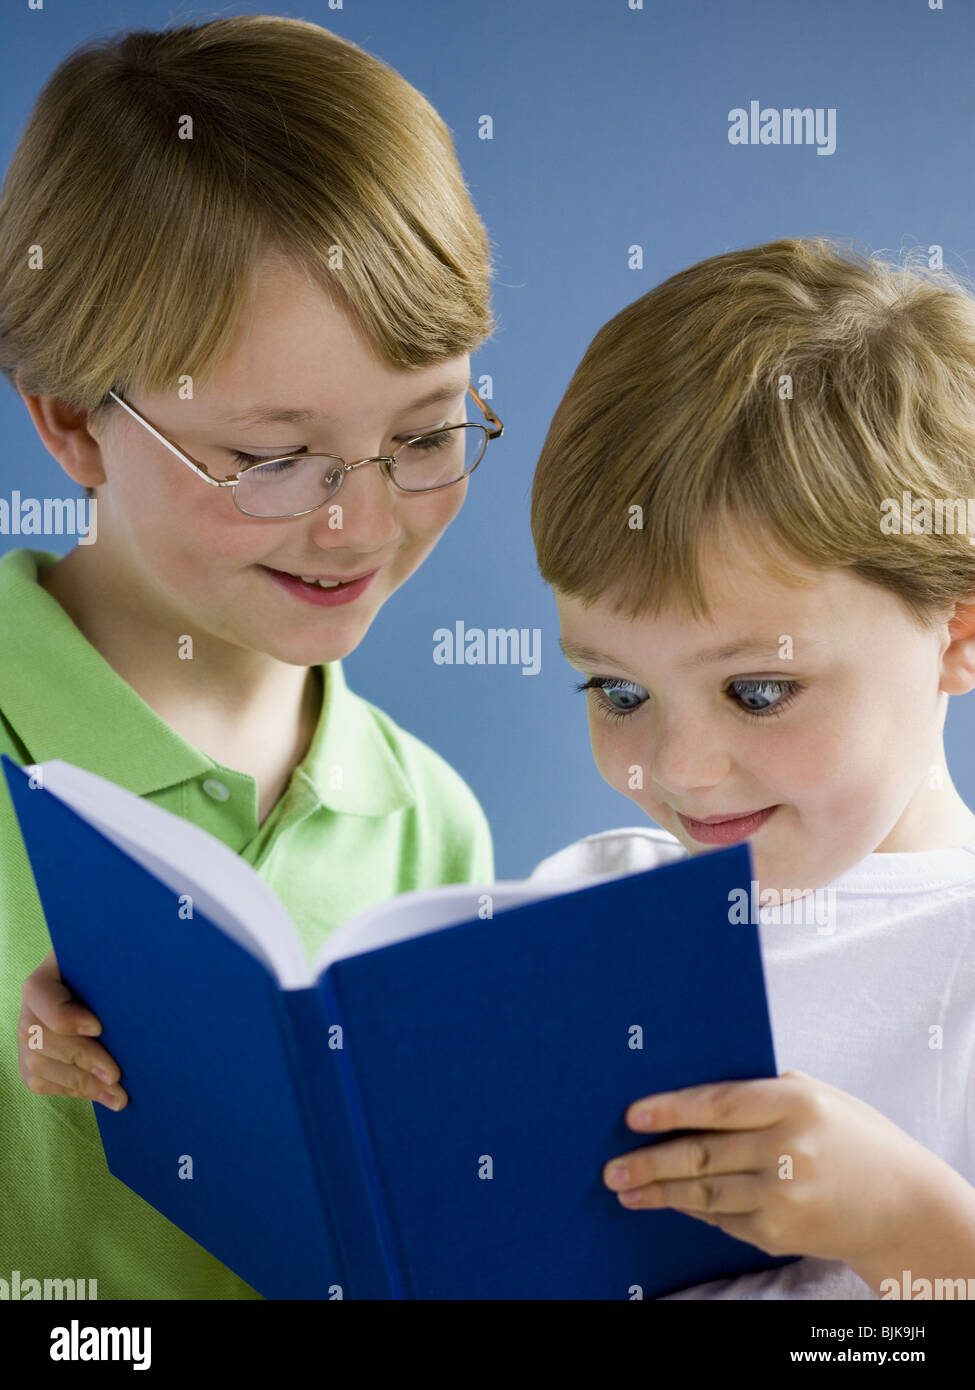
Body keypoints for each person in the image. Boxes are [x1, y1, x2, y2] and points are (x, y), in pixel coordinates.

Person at [0, 15, 501, 1299]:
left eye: (431, 430)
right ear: (72, 423)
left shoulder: (432, 825)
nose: (364, 525)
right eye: (274, 459)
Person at [527, 235, 975, 1298]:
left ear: (957, 633)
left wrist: (904, 1220)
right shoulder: (585, 901)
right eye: (619, 691)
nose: (679, 768)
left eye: (759, 691)